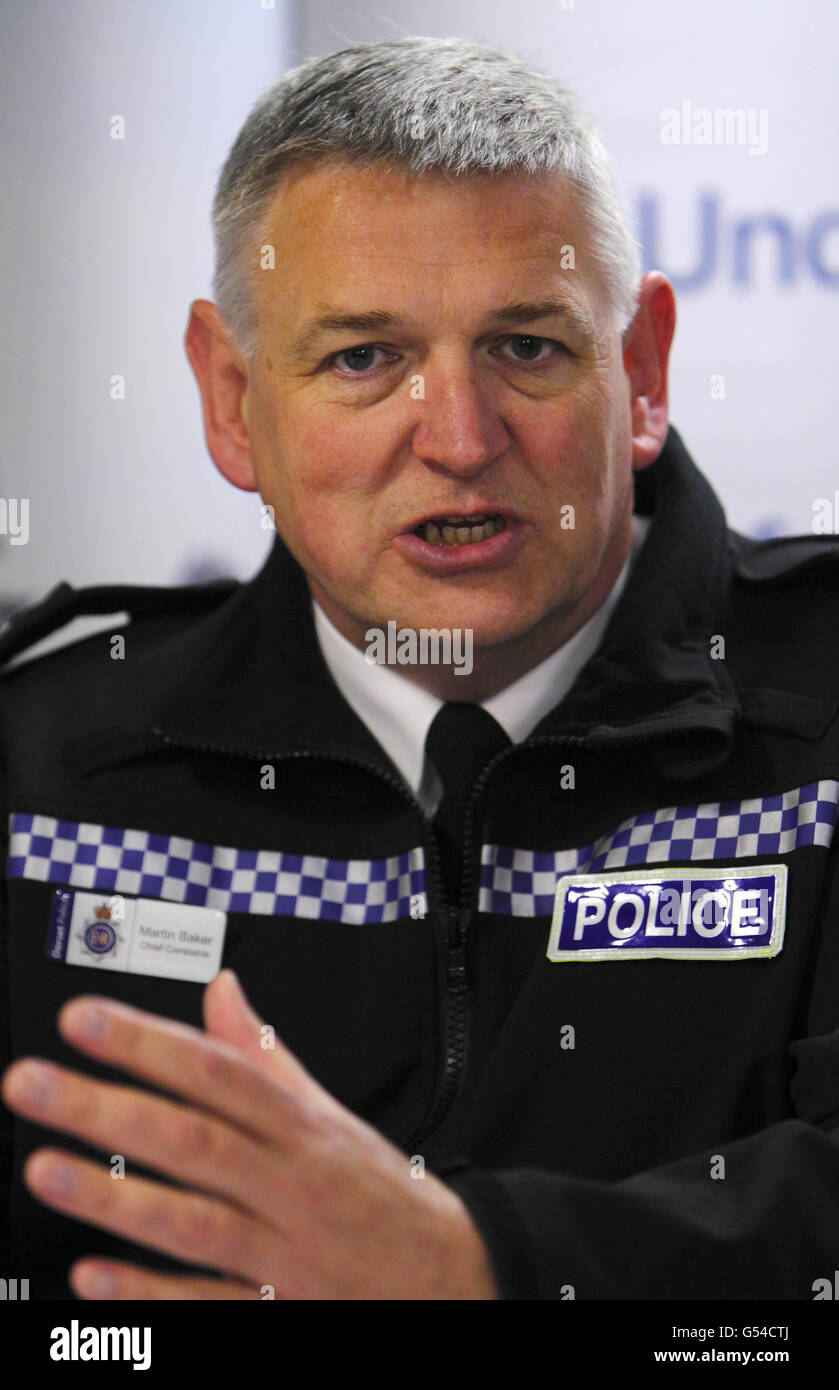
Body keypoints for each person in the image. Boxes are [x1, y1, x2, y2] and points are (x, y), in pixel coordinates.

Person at [1, 34, 838, 1302]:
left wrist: (485, 1270)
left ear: (642, 369)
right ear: (231, 400)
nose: (455, 439)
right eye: (362, 358)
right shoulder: (41, 773)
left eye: (525, 348)